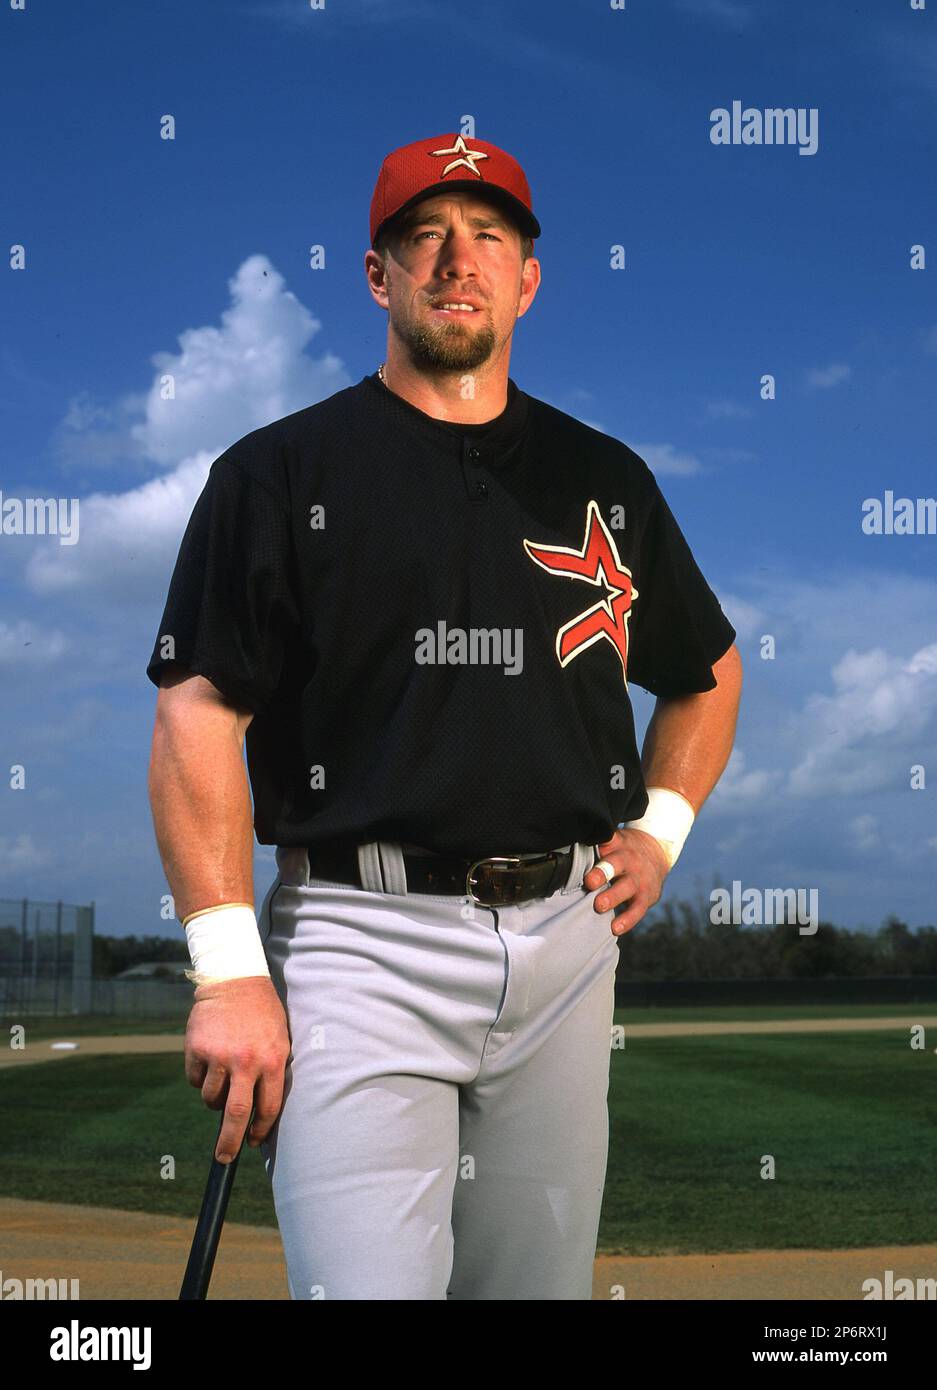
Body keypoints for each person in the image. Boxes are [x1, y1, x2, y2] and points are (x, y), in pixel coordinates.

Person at [146, 131, 743, 1300]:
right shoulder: (278, 474)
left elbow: (707, 671)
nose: (454, 259)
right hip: (360, 942)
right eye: (423, 235)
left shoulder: (605, 479)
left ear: (527, 277)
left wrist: (660, 831)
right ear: (380, 276)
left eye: (488, 237)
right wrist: (227, 969)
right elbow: (198, 711)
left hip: (571, 940)